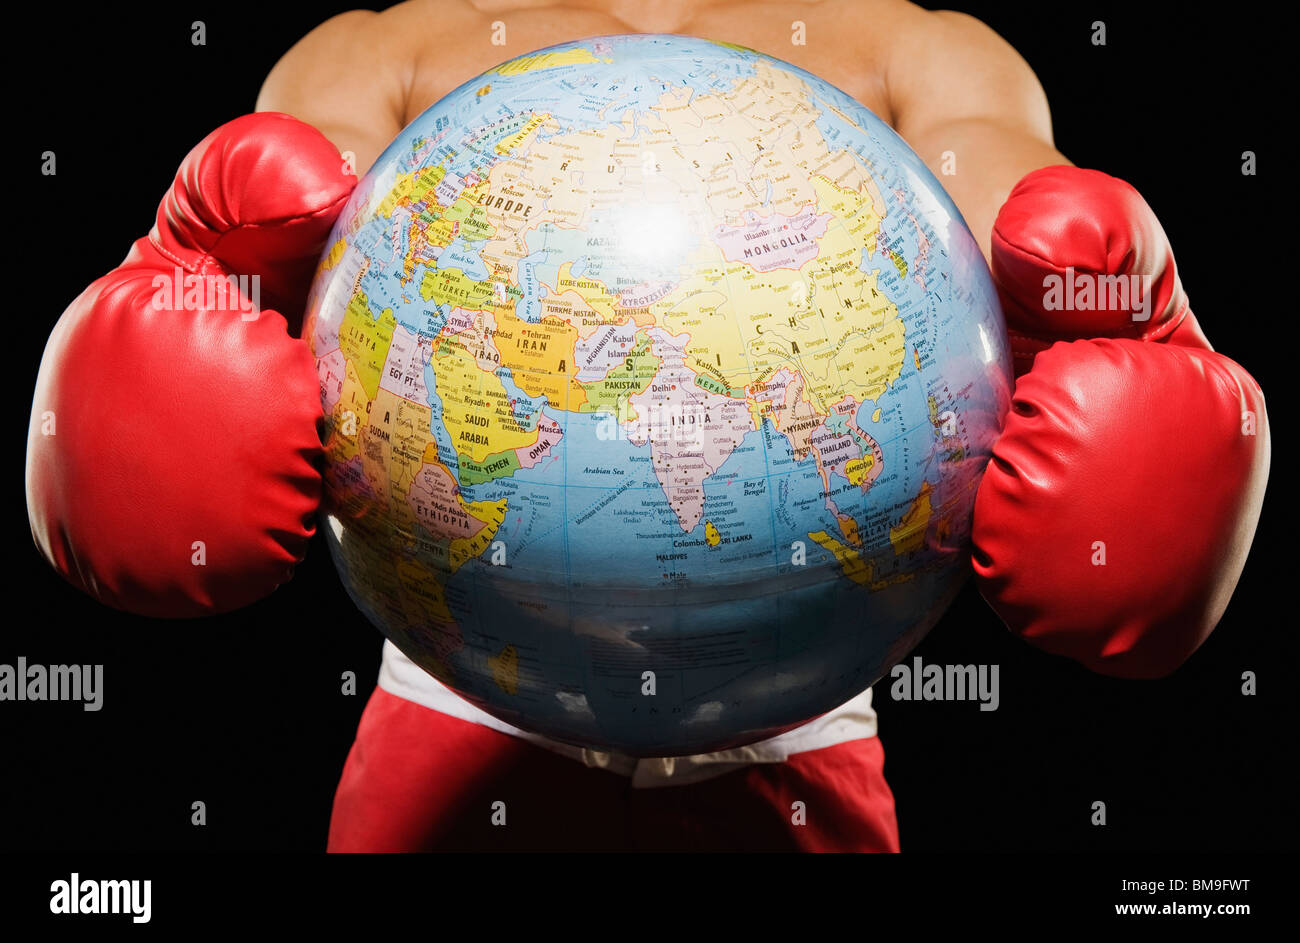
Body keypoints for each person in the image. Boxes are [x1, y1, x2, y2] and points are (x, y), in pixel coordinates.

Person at [25, 0, 1270, 851]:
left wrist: (1145, 328)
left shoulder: (915, 52)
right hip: (453, 730)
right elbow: (260, 248)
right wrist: (163, 303)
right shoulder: (384, 54)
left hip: (800, 742)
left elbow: (1035, 230)